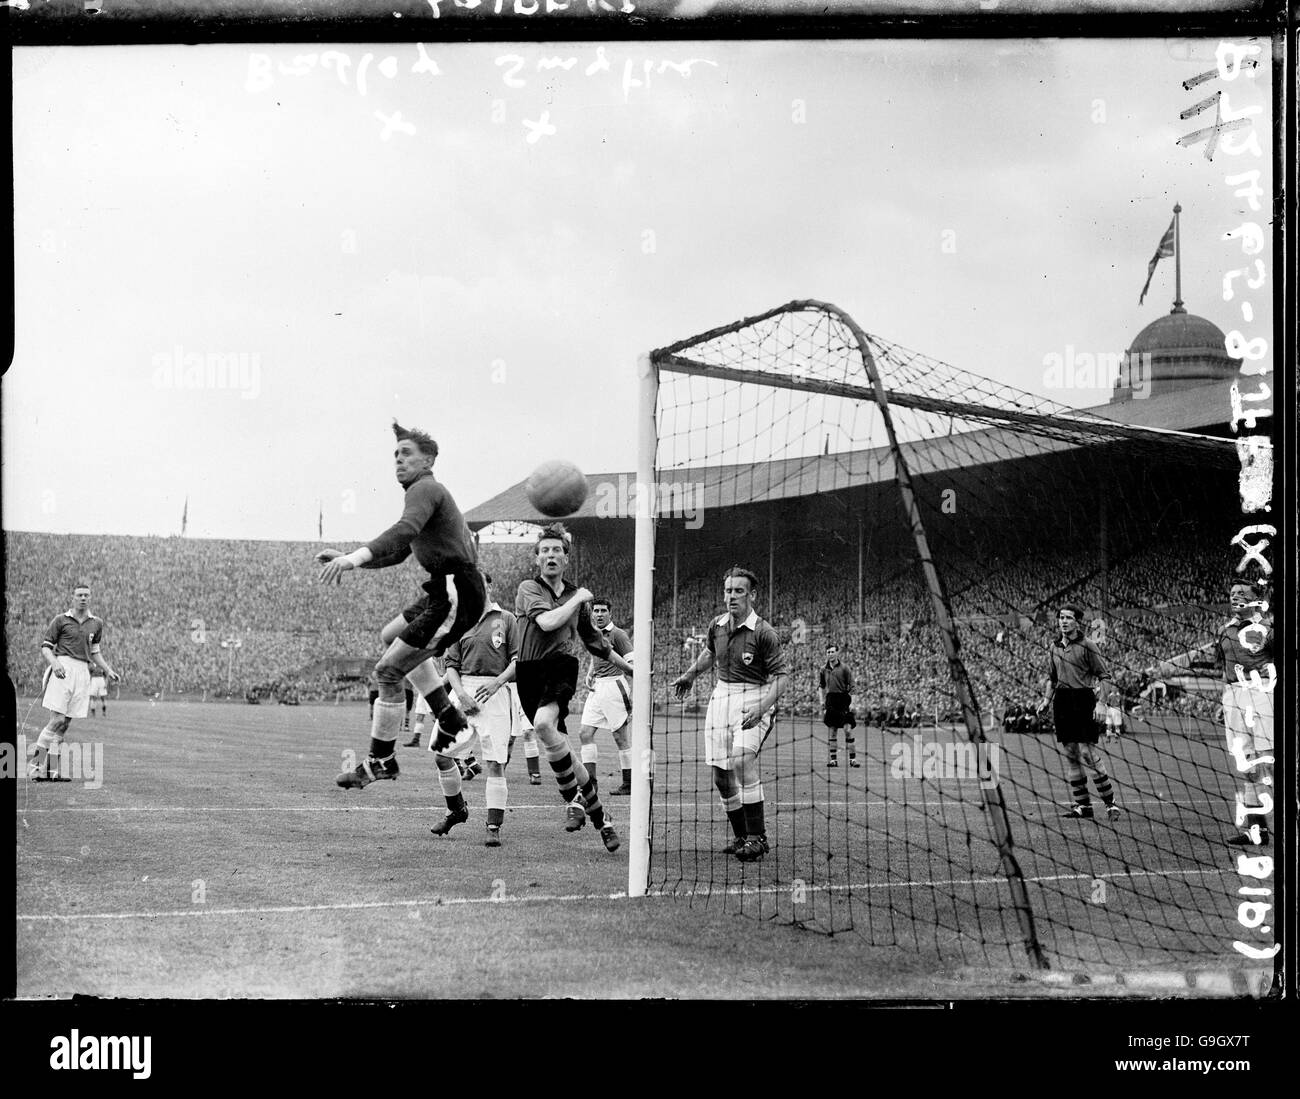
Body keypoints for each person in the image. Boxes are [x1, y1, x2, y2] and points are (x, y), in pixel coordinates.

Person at [318, 421, 485, 792]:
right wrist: (350, 557)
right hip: (446, 588)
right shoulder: (425, 493)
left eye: (406, 453)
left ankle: (382, 760)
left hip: (456, 590)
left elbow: (405, 529)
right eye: (395, 454)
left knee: (388, 673)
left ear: (428, 459)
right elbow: (397, 553)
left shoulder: (425, 488)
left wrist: (355, 558)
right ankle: (449, 716)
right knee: (389, 634)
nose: (398, 460)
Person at [514, 524, 625, 853]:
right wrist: (579, 597)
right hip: (528, 672)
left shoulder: (577, 599)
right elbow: (547, 622)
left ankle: (576, 800)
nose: (550, 555)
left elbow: (599, 645)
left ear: (566, 558)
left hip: (560, 667)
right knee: (558, 744)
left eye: (556, 551)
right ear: (537, 559)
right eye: (544, 550)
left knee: (543, 726)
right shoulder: (528, 588)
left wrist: (632, 668)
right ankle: (600, 817)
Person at [672, 566, 790, 862]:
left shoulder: (764, 632)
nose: (732, 596)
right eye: (728, 590)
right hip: (721, 696)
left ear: (752, 595)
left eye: (739, 591)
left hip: (754, 696)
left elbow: (782, 677)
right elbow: (711, 654)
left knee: (740, 759)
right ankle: (741, 837)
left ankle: (757, 837)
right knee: (721, 777)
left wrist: (762, 707)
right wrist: (689, 675)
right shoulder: (718, 625)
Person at [1154, 580, 1274, 846]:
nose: (1235, 597)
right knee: (1247, 766)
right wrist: (1227, 700)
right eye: (1232, 594)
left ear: (1257, 599)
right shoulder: (1225, 630)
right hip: (1234, 696)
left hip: (1265, 693)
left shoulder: (1270, 629)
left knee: (1271, 765)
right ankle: (1257, 831)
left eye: (1242, 594)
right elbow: (1225, 668)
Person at [427, 571, 520, 846]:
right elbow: (451, 666)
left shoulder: (507, 619)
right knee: (441, 755)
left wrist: (497, 683)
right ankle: (457, 810)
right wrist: (460, 694)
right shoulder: (461, 621)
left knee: (495, 762)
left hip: (496, 692)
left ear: (489, 586)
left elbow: (518, 661)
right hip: (463, 690)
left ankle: (493, 827)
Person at [29, 583, 121, 781]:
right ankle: (35, 765)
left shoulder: (96, 623)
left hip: (82, 673)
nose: (83, 598)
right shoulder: (61, 620)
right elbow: (46, 647)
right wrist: (54, 664)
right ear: (73, 597)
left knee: (64, 726)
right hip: (62, 668)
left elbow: (95, 651)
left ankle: (51, 771)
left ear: (90, 598)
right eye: (79, 595)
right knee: (57, 720)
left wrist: (108, 670)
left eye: (86, 595)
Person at [1038, 603, 1122, 821]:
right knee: (1071, 755)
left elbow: (1105, 676)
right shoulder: (1054, 646)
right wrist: (1046, 700)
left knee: (1087, 753)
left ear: (1077, 621)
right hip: (1062, 702)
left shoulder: (1088, 645)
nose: (1063, 621)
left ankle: (1110, 804)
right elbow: (1052, 678)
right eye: (1061, 617)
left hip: (1083, 699)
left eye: (1068, 618)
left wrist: (1101, 703)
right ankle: (1083, 807)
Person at [578, 598, 635, 795]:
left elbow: (631, 663)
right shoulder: (594, 634)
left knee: (620, 738)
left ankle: (628, 783)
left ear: (610, 613)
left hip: (614, 687)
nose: (599, 614)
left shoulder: (619, 635)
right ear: (592, 613)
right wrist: (590, 671)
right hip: (597, 688)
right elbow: (600, 654)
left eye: (603, 611)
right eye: (596, 611)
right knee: (585, 733)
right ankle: (590, 784)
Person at [819, 642, 858, 767]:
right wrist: (821, 700)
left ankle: (852, 760)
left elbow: (853, 687)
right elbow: (821, 686)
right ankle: (833, 760)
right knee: (832, 731)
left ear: (837, 652)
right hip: (831, 700)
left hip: (843, 700)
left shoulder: (845, 668)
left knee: (847, 729)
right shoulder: (823, 669)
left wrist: (853, 703)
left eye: (832, 651)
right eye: (828, 652)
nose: (830, 654)